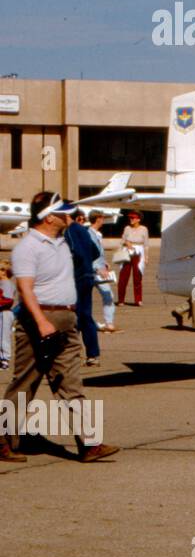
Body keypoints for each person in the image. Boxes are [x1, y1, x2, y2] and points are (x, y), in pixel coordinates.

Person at [0, 192, 118, 463]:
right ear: (48, 217)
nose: (70, 216)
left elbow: (89, 246)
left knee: (71, 383)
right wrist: (41, 322)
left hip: (66, 320)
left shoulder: (64, 241)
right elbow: (25, 289)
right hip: (38, 319)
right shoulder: (27, 247)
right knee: (25, 383)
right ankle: (3, 440)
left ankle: (90, 444)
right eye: (63, 212)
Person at [64, 211, 103, 367]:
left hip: (78, 278)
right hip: (87, 276)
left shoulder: (70, 231)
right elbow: (95, 251)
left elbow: (74, 253)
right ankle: (92, 354)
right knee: (85, 316)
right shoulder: (83, 230)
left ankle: (72, 352)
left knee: (73, 316)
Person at [86, 212, 117, 333]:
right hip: (92, 271)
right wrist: (97, 268)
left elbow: (98, 253)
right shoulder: (89, 234)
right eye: (103, 218)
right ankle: (89, 323)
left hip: (100, 270)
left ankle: (109, 323)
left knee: (108, 295)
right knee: (85, 299)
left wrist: (104, 263)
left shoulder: (97, 234)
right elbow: (88, 253)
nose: (104, 220)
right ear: (98, 219)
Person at [116, 211, 148, 306]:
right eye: (130, 218)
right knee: (123, 277)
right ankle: (121, 300)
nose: (131, 219)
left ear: (138, 219)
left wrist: (146, 257)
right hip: (127, 252)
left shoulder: (144, 229)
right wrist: (125, 244)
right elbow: (122, 241)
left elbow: (146, 244)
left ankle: (138, 300)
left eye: (133, 218)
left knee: (137, 276)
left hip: (138, 252)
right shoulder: (127, 228)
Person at [0, 263, 14, 370]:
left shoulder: (6, 283)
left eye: (1, 269)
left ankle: (5, 359)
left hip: (4, 312)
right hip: (2, 311)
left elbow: (8, 300)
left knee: (3, 336)